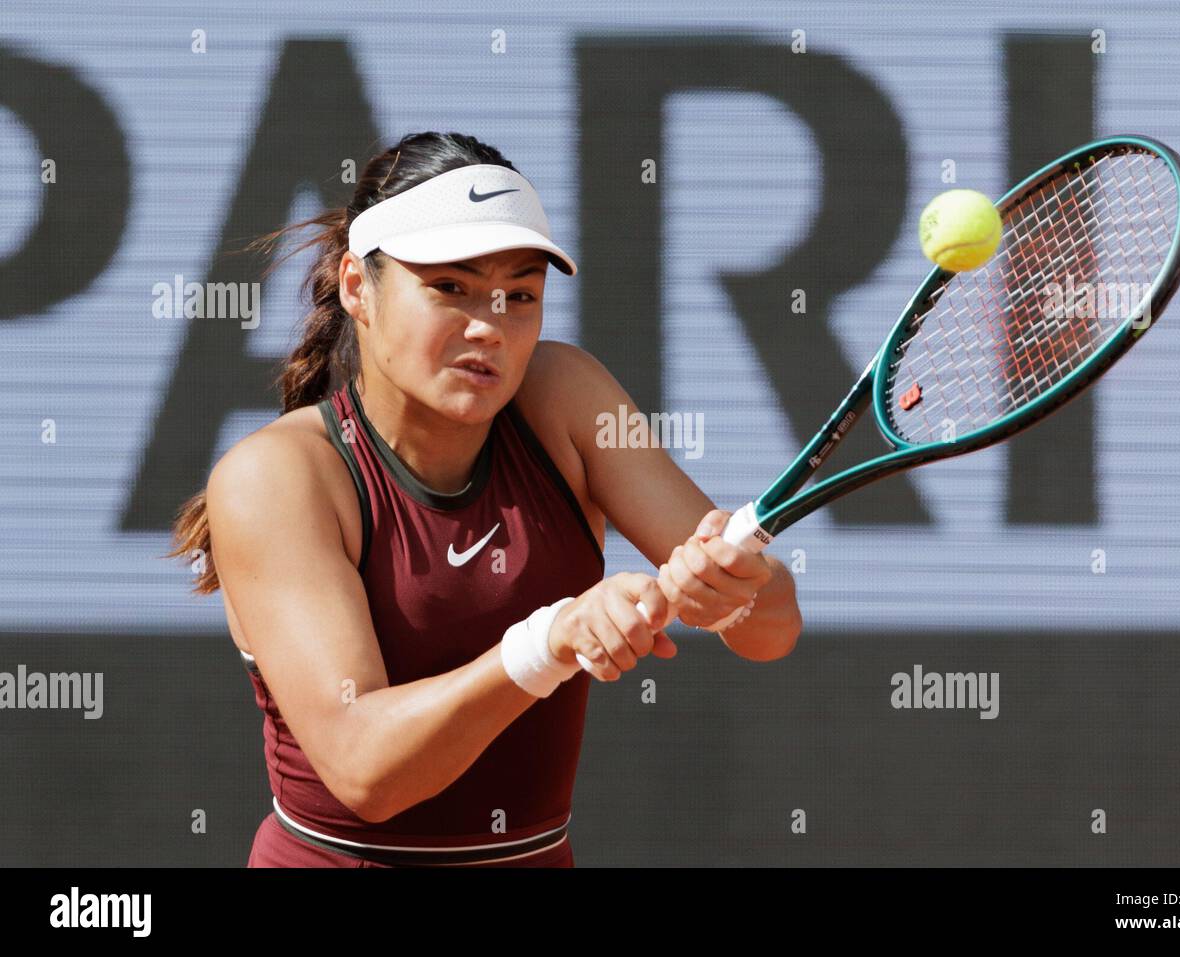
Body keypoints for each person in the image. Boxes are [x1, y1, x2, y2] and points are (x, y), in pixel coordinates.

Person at [168, 131, 801, 867]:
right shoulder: (274, 475)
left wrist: (728, 593)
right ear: (355, 287)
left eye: (520, 295)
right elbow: (365, 769)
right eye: (450, 287)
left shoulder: (567, 394)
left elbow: (771, 629)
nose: (488, 327)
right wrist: (550, 640)